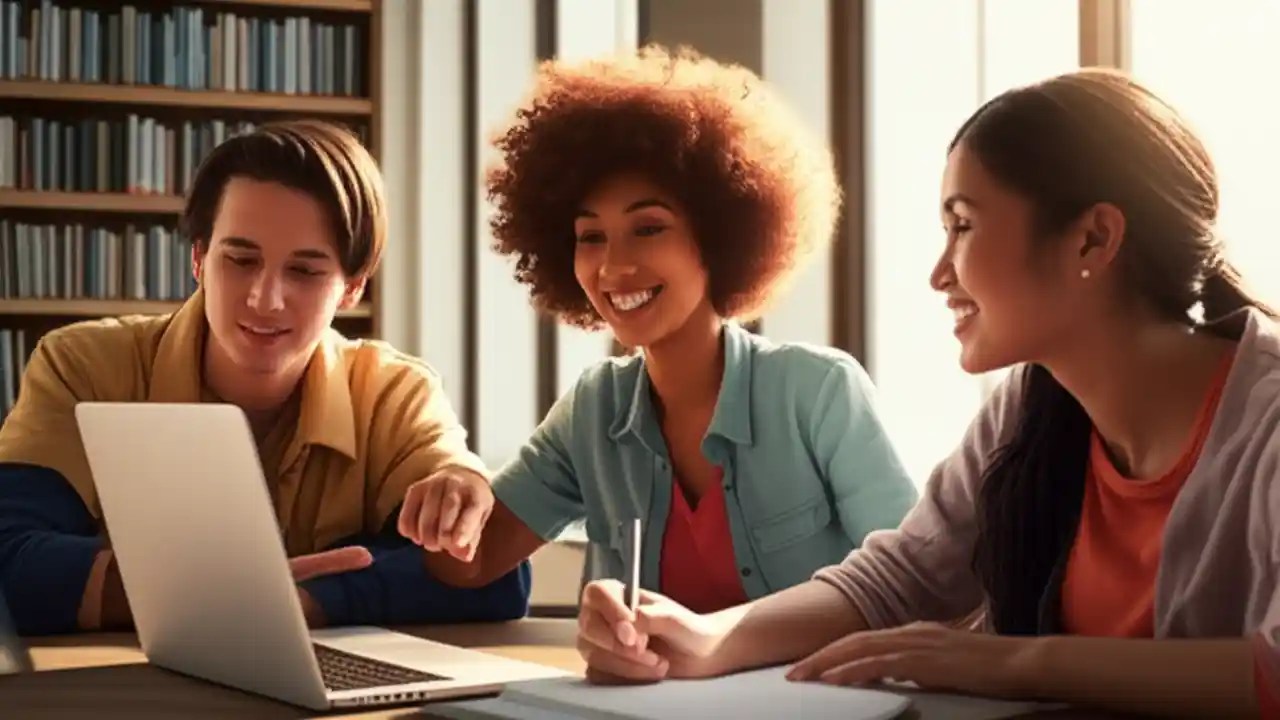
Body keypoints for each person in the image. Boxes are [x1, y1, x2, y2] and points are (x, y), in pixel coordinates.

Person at [571, 68, 1280, 718]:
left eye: (962, 226)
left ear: (1093, 239)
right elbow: (896, 581)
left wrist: (1017, 662)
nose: (939, 274)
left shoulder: (1268, 417)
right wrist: (704, 638)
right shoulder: (1029, 410)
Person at [399, 46, 918, 616]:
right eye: (590, 237)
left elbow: (914, 587)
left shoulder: (818, 393)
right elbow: (469, 563)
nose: (613, 266)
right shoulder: (594, 411)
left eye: (648, 229)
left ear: (719, 236)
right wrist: (458, 491)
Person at [0, 120, 530, 635]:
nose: (265, 299)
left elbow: (493, 572)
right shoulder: (83, 365)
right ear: (199, 258)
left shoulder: (394, 392)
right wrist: (236, 594)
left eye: (304, 271)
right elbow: (8, 555)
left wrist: (302, 601)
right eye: (240, 259)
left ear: (352, 288)